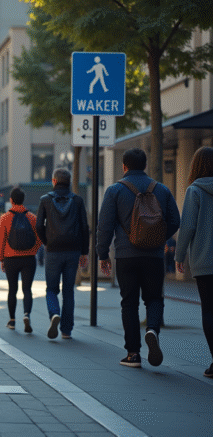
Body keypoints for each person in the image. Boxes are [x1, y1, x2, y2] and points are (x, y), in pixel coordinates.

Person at [97, 148, 180, 368]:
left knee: (129, 303)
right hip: (153, 255)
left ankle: (133, 354)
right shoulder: (161, 189)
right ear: (144, 165)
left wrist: (102, 254)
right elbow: (175, 220)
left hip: (126, 256)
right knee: (154, 298)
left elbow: (104, 225)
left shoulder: (114, 190)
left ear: (124, 166)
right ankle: (152, 328)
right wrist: (159, 238)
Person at [36, 168, 90, 340]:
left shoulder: (45, 200)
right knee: (69, 290)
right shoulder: (78, 200)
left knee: (51, 288)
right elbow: (84, 228)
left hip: (53, 250)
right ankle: (66, 330)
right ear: (69, 182)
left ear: (53, 181)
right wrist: (84, 252)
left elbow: (38, 226)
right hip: (73, 250)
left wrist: (46, 242)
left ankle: (54, 314)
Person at [174, 146, 213, 377]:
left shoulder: (195, 191)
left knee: (208, 310)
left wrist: (179, 257)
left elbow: (187, 226)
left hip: (204, 260)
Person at [0, 187, 42, 333]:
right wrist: (33, 250)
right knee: (27, 289)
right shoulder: (32, 217)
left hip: (11, 258)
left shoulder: (5, 217)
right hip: (29, 258)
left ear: (11, 200)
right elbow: (40, 237)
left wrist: (1, 258)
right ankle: (26, 314)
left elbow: (0, 240)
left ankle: (12, 320)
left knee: (12, 289)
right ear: (23, 200)